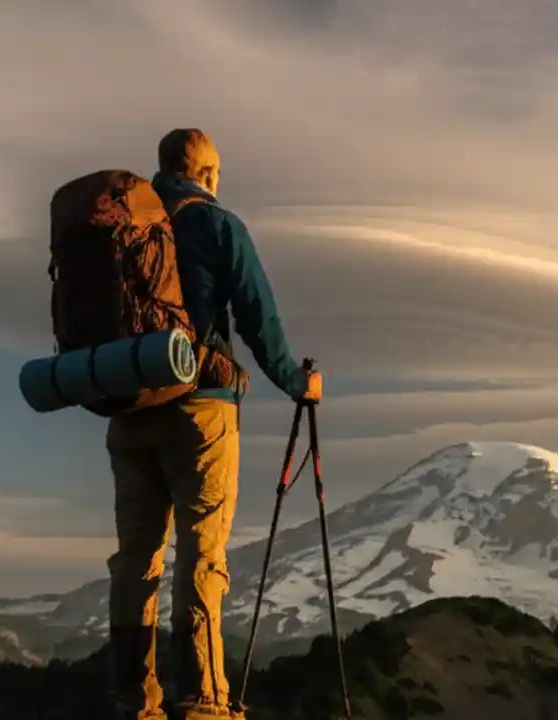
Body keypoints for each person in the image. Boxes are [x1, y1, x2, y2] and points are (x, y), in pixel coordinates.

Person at [105, 128, 322, 720]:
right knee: (201, 556)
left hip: (126, 406)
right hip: (200, 410)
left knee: (136, 557)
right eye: (217, 173)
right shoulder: (218, 224)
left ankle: (133, 696)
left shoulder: (125, 225)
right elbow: (259, 318)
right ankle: (203, 700)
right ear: (205, 172)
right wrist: (299, 385)